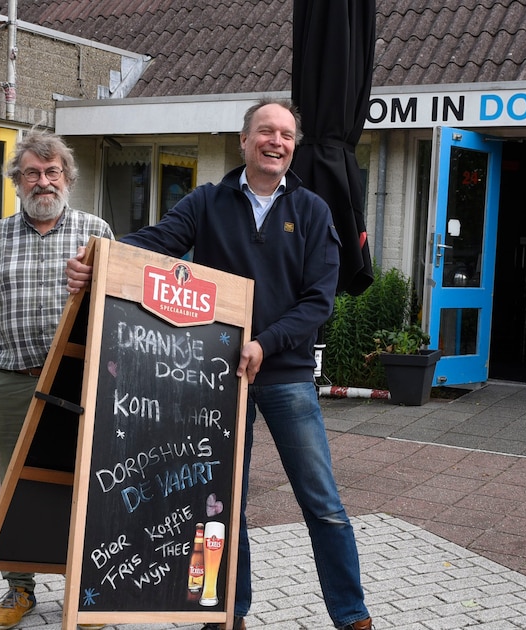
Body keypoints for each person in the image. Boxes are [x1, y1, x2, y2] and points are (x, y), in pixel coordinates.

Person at [67, 98, 374, 630]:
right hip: (214, 380)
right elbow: (157, 243)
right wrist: (98, 261)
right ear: (244, 140)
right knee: (217, 502)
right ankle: (225, 611)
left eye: (285, 134)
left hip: (285, 377)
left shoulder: (313, 211)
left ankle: (351, 616)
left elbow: (318, 301)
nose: (276, 141)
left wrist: (265, 343)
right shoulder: (206, 201)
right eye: (265, 132)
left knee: (322, 501)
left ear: (293, 145)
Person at [0, 130, 113, 630]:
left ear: (67, 177)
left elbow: (120, 307)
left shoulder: (95, 232)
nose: (43, 181)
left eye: (52, 171)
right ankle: (19, 590)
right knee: (16, 485)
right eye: (32, 173)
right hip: (12, 381)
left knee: (88, 483)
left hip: (80, 382)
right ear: (17, 181)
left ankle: (88, 590)